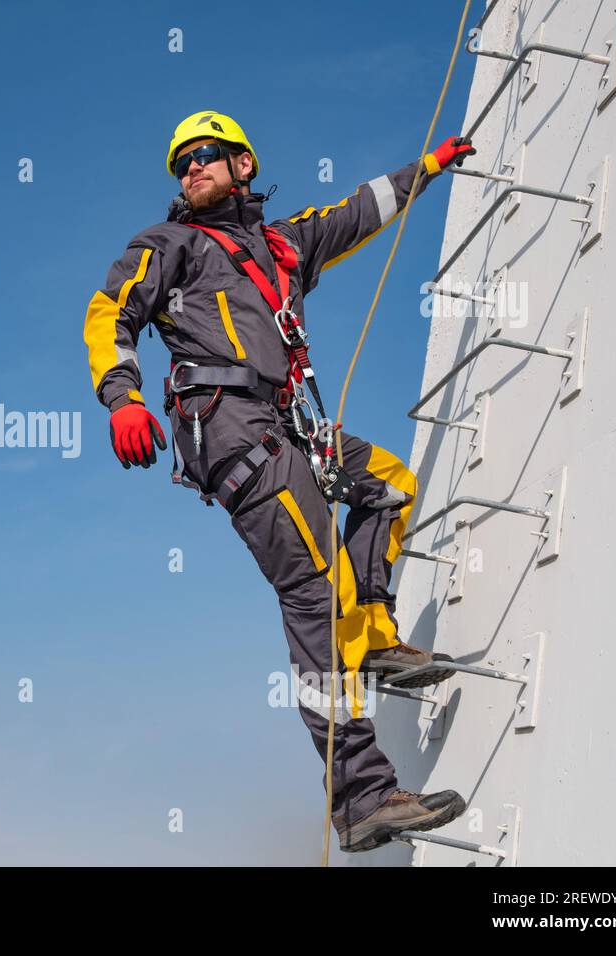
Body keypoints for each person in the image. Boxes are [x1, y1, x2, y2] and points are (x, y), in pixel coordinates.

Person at [82, 110, 477, 852]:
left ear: (243, 165)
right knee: (313, 590)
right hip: (230, 425)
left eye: (204, 155)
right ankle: (362, 797)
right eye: (180, 163)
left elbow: (357, 212)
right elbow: (111, 313)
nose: (189, 168)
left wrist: (427, 168)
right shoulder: (168, 245)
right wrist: (123, 397)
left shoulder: (282, 245)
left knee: (390, 483)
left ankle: (373, 640)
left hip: (286, 421)